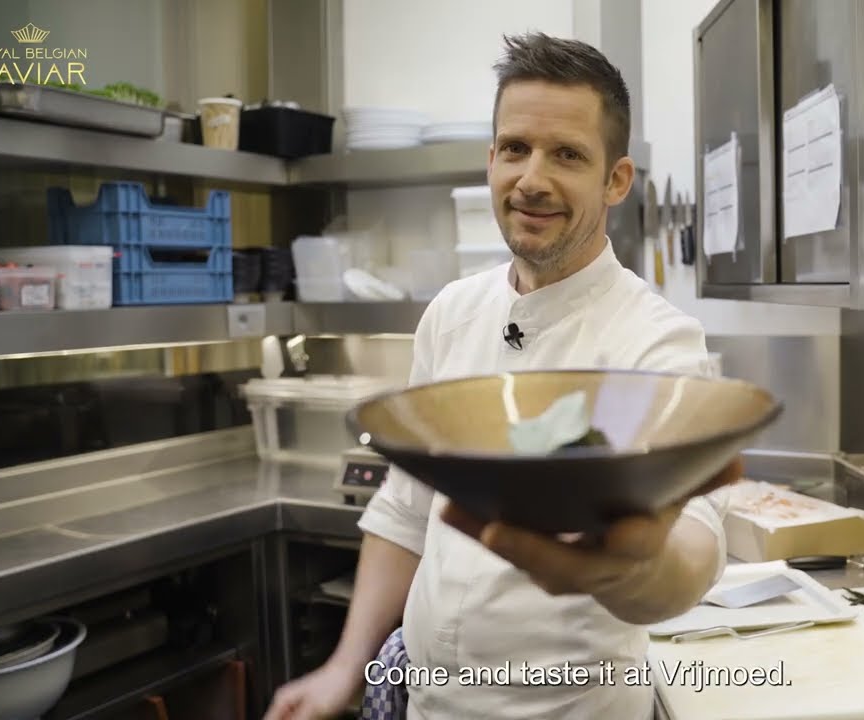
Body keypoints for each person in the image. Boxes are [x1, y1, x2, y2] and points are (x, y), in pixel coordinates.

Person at [264, 32, 740, 720]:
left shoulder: (656, 341)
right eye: (515, 148)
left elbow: (693, 541)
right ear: (490, 159)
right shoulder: (453, 314)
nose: (532, 179)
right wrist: (345, 666)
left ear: (616, 180)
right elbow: (405, 511)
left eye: (568, 154)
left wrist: (633, 570)